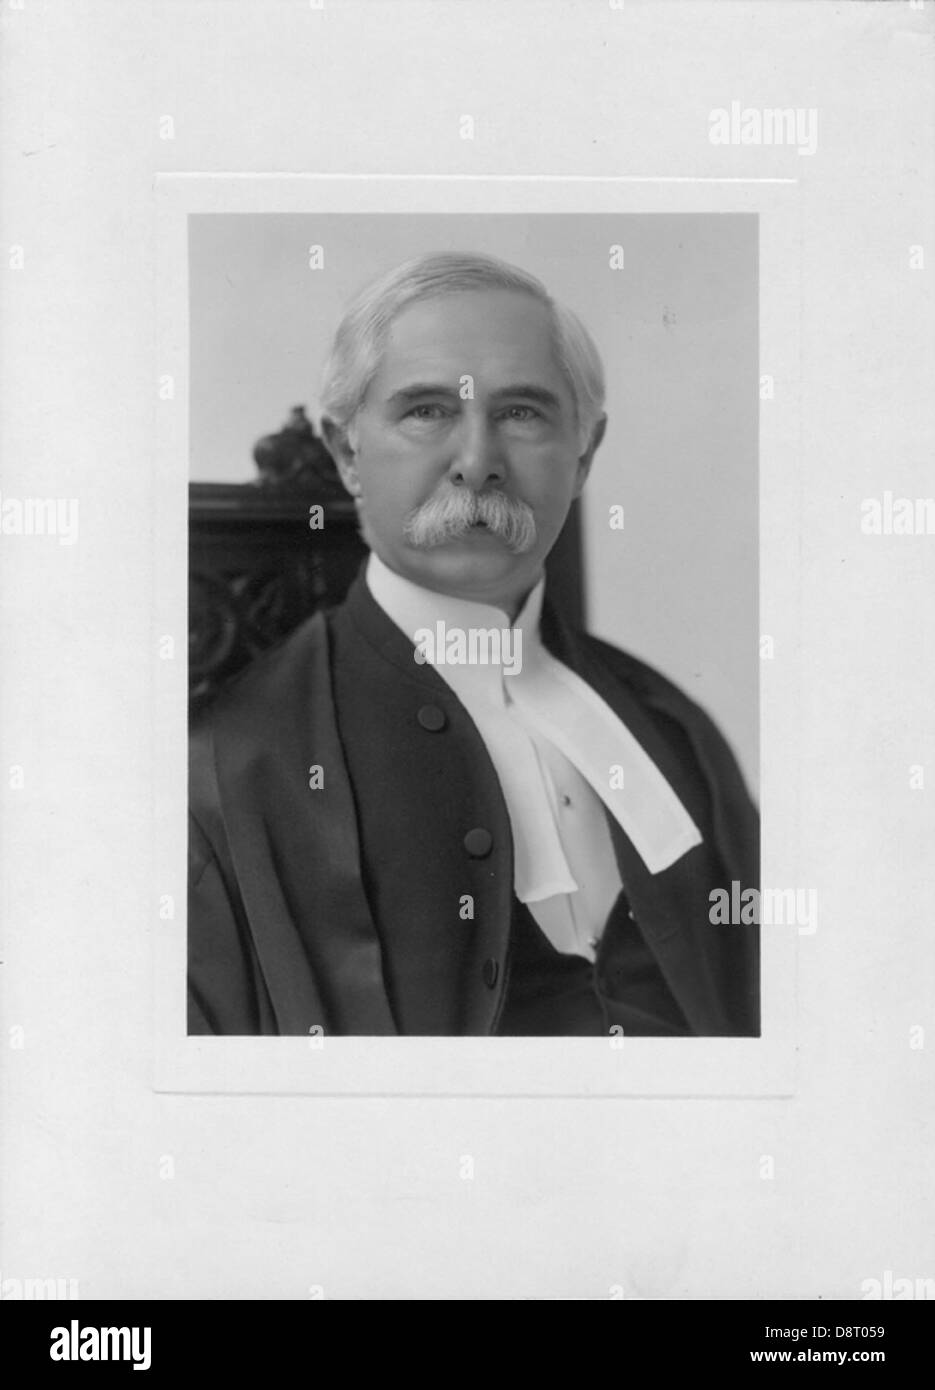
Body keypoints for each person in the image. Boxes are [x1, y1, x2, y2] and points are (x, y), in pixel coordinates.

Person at [188, 251, 759, 1037]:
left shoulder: (670, 729)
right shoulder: (230, 776)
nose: (478, 463)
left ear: (583, 454)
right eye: (426, 411)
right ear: (347, 452)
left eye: (521, 412)